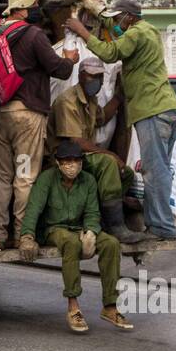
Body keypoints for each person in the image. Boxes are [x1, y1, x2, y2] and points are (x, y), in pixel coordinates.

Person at [65, 0, 176, 241]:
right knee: (160, 169)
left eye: (118, 19)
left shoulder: (137, 33)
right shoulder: (144, 31)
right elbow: (116, 33)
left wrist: (82, 32)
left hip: (152, 109)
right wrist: (98, 11)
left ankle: (161, 227)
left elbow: (110, 52)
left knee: (154, 170)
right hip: (164, 108)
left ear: (129, 18)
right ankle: (161, 224)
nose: (116, 24)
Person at [0, 0, 74, 247]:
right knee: (24, 176)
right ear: (21, 10)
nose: (37, 10)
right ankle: (23, 234)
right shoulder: (34, 35)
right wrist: (69, 58)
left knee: (1, 176)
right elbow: (59, 70)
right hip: (26, 117)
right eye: (33, 5)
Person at [19, 139, 132, 333]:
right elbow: (33, 209)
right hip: (55, 228)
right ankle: (73, 306)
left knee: (111, 243)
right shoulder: (47, 179)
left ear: (81, 161)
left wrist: (90, 232)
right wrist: (27, 236)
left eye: (75, 160)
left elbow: (92, 212)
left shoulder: (87, 180)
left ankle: (110, 306)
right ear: (58, 162)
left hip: (80, 227)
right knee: (71, 243)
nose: (71, 165)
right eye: (66, 160)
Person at [49, 56, 146, 244]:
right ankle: (116, 226)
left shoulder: (90, 100)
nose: (97, 81)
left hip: (82, 155)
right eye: (92, 77)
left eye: (100, 77)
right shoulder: (67, 101)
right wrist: (110, 154)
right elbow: (75, 142)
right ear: (81, 76)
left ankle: (106, 214)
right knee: (109, 163)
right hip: (66, 156)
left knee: (126, 173)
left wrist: (118, 97)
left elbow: (102, 118)